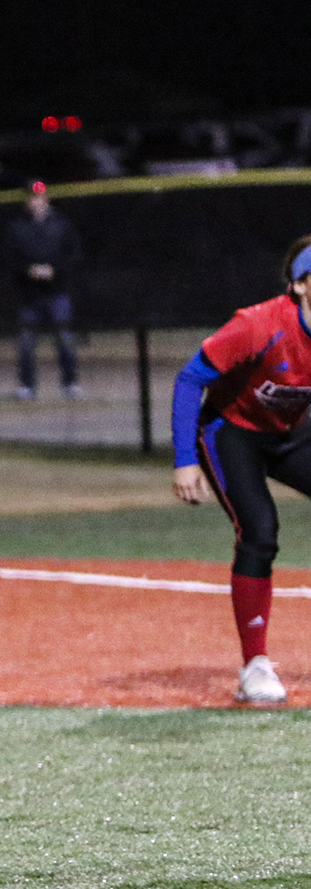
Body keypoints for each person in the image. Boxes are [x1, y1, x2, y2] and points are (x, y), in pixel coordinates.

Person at [170, 234, 311, 706]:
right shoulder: (258, 324)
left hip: (289, 433)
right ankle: (255, 665)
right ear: (299, 287)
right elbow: (190, 378)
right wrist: (185, 461)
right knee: (260, 532)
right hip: (231, 433)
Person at [3, 181, 83, 400]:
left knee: (64, 338)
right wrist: (30, 270)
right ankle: (27, 385)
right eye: (32, 197)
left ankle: (70, 382)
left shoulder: (61, 224)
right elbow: (11, 259)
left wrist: (53, 269)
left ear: (46, 199)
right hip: (29, 294)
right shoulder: (17, 227)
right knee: (26, 341)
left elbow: (72, 255)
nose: (35, 201)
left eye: (39, 197)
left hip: (57, 291)